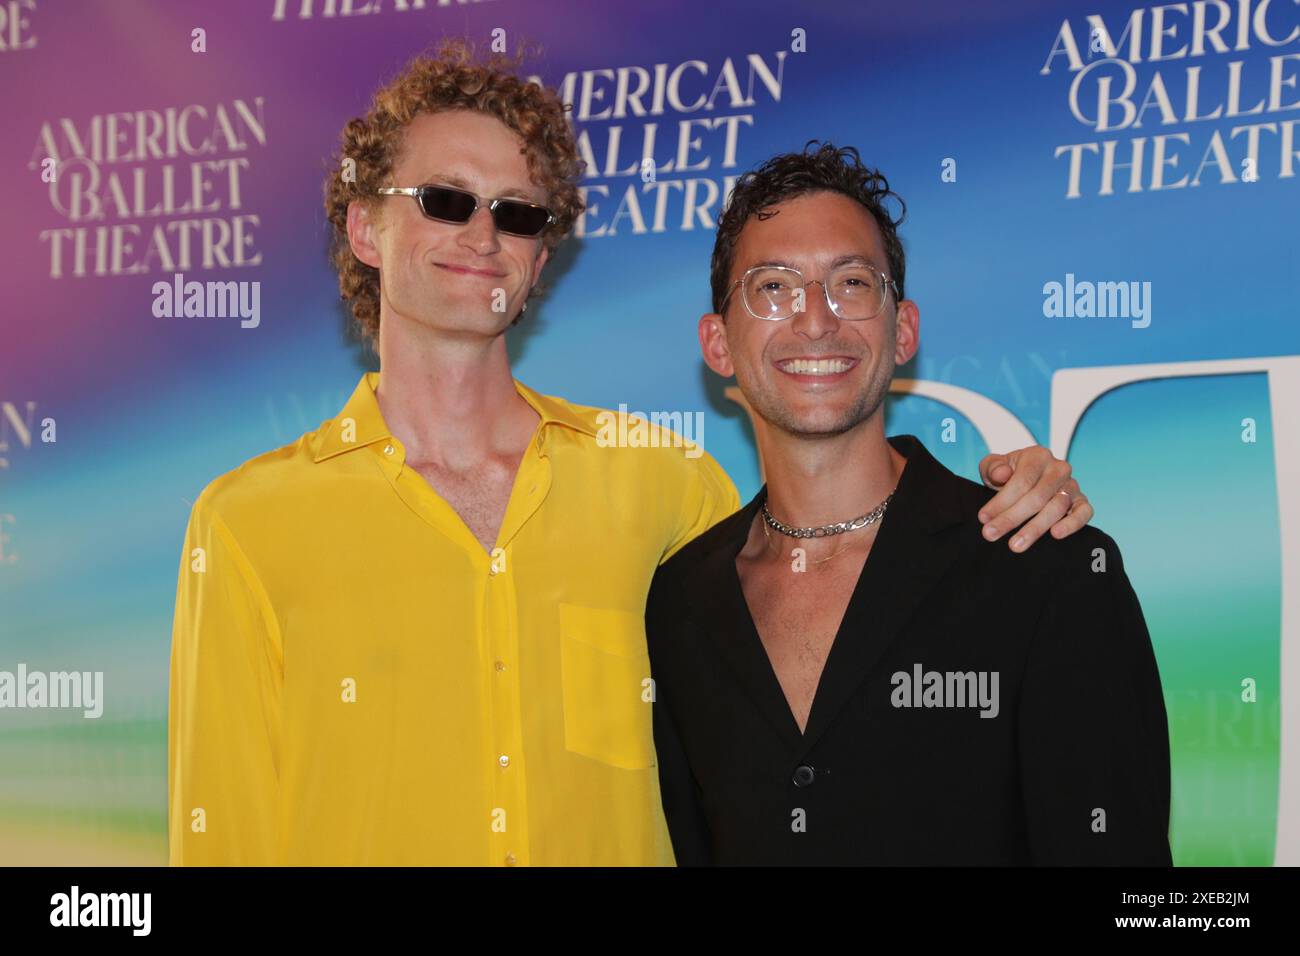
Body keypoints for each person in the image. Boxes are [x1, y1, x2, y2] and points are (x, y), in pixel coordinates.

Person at [169, 41, 1095, 866]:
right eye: (445, 201)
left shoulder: (665, 486)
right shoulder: (248, 525)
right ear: (366, 228)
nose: (483, 235)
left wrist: (1018, 491)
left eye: (518, 214)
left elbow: (827, 627)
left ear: (541, 258)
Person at [646, 143, 1171, 866]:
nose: (815, 320)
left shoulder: (1046, 569)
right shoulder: (680, 602)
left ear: (903, 331)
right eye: (773, 287)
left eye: (851, 283)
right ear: (718, 344)